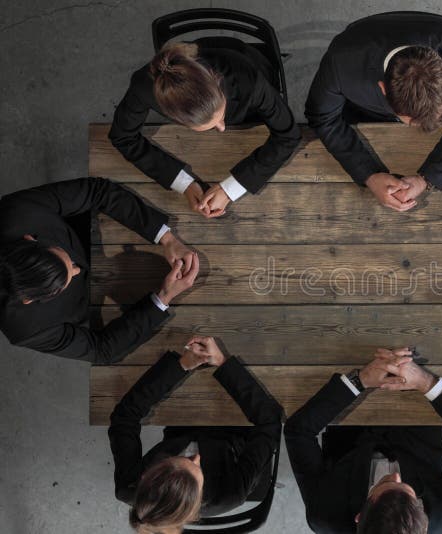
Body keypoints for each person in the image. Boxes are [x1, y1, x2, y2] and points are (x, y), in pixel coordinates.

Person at [284, 348, 442, 533]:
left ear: (359, 516)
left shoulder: (325, 515)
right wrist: (425, 382)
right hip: (417, 415)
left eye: (385, 484)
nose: (396, 475)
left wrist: (359, 380)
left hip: (349, 420)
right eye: (408, 490)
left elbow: (298, 433)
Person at [305, 12, 442, 212]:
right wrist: (369, 175)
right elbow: (322, 118)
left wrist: (428, 178)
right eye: (412, 122)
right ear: (383, 89)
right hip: (363, 102)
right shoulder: (341, 63)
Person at [0, 177, 198, 363]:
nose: (77, 270)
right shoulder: (25, 328)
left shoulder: (17, 211)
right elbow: (101, 351)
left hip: (90, 231)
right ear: (28, 299)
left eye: (67, 260)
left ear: (30, 239)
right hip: (93, 304)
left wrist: (167, 238)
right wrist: (164, 297)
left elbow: (97, 190)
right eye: (61, 286)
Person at [109, 38, 301, 218]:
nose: (222, 128)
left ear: (217, 83)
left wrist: (231, 188)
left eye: (220, 117)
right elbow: (123, 137)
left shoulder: (248, 78)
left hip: (247, 65)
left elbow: (289, 135)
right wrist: (183, 183)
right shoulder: (143, 88)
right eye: (211, 126)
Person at [109, 335, 283, 533]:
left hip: (181, 421)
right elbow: (270, 424)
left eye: (184, 458)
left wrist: (181, 365)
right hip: (235, 426)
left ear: (146, 475)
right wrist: (223, 364)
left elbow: (124, 417)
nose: (197, 457)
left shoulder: (130, 486)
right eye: (196, 466)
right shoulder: (230, 493)